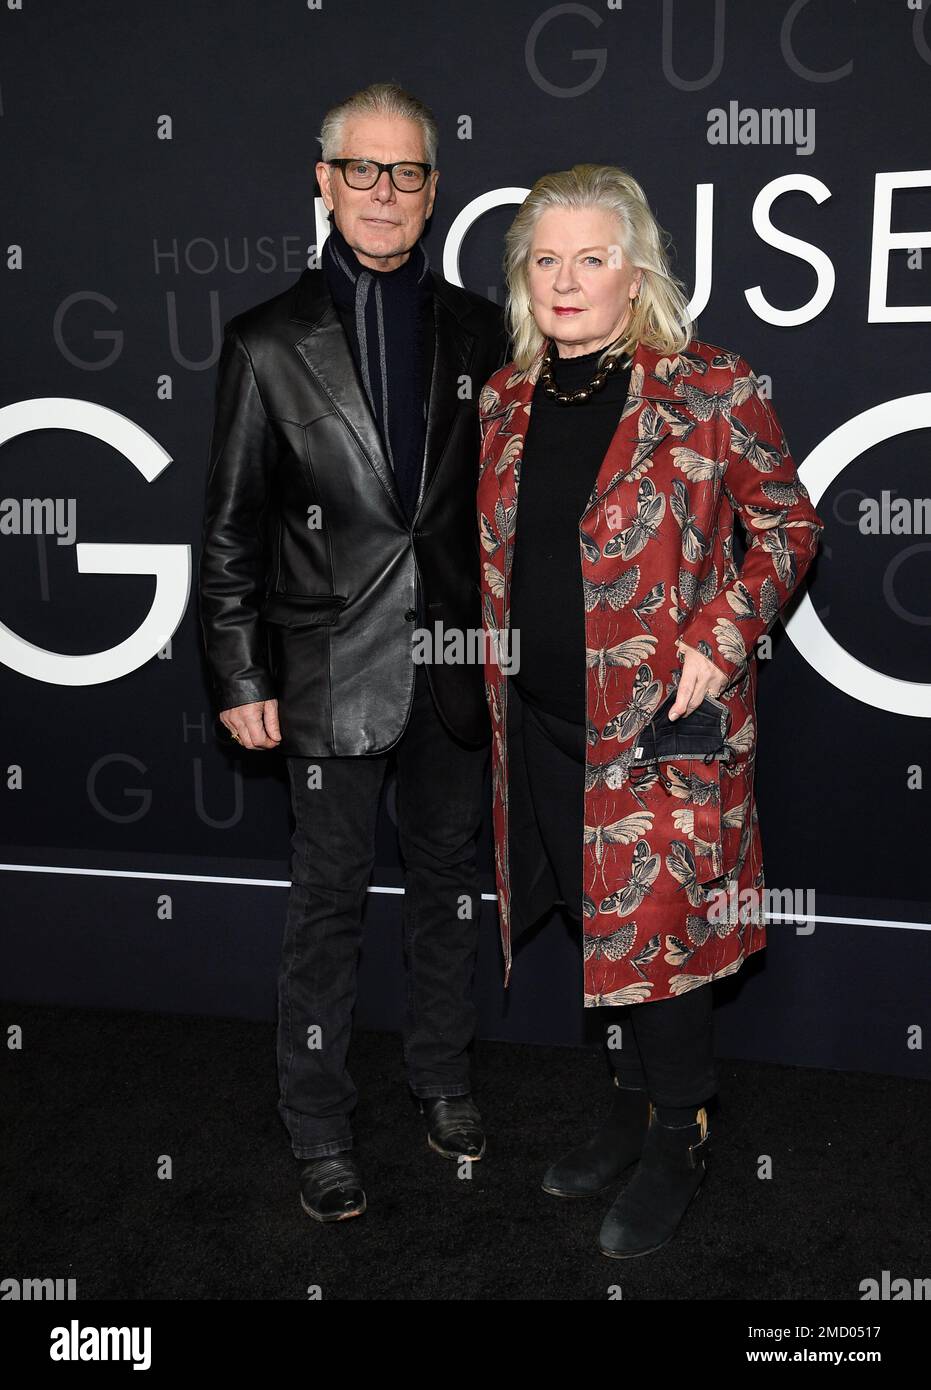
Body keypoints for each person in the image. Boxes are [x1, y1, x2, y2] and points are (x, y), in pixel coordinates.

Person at [477, 163, 824, 1258]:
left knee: (664, 950)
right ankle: (624, 1107)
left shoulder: (710, 385)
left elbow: (788, 527)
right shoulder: (502, 401)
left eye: (592, 258)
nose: (567, 280)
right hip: (537, 721)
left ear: (636, 273)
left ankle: (682, 1134)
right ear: (522, 277)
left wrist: (717, 640)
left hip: (658, 734)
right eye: (546, 259)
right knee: (599, 932)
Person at [198, 83, 507, 1222]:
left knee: (447, 890)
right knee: (326, 907)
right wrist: (239, 673)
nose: (385, 193)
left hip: (456, 665)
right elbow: (229, 526)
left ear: (434, 190)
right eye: (363, 170)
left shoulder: (483, 329)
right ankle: (317, 1124)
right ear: (323, 182)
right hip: (327, 670)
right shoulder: (267, 342)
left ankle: (443, 1081)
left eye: (408, 172)